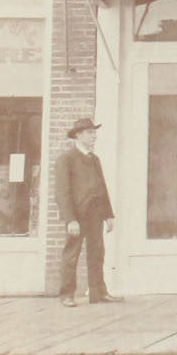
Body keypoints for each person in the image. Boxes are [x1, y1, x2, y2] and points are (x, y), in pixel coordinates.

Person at [55, 116, 119, 307]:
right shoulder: (66, 159)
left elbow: (101, 187)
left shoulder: (94, 159)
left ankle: (99, 293)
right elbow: (62, 192)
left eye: (94, 133)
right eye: (90, 133)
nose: (94, 137)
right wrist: (70, 219)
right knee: (72, 253)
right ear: (78, 135)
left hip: (96, 214)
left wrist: (108, 214)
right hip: (77, 215)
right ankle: (67, 294)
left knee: (97, 252)